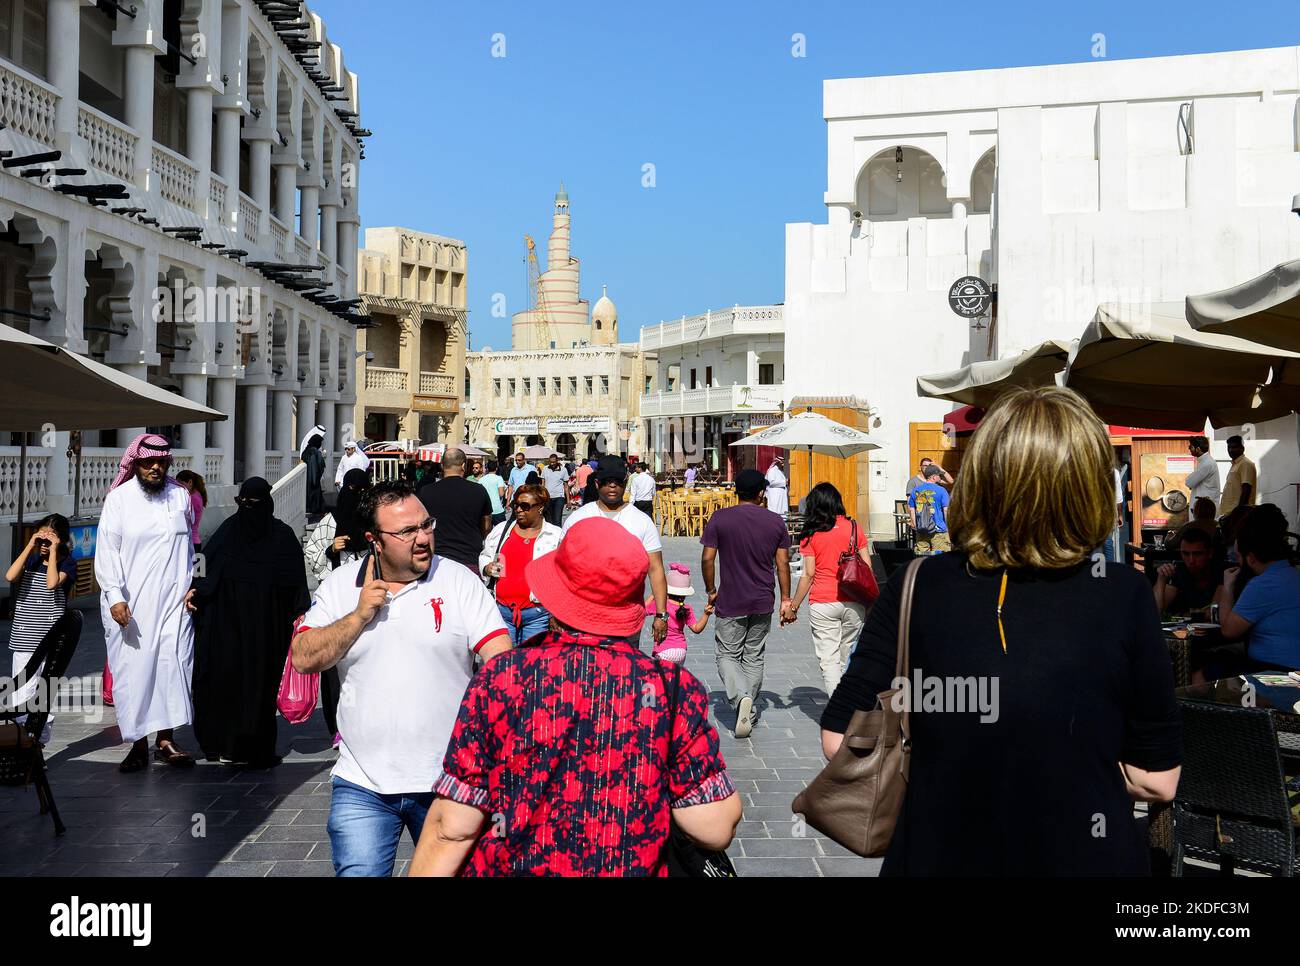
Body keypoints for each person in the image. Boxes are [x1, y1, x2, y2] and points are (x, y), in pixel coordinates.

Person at [821, 386, 1182, 875]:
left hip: (936, 852)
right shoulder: (1122, 594)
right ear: (1090, 486)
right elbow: (1157, 780)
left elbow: (839, 734)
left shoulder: (917, 583)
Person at [409, 518, 741, 876]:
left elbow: (452, 829)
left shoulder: (502, 679)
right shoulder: (672, 690)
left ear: (555, 594)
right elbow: (714, 826)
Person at [292, 480, 511, 877]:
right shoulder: (342, 587)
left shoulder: (459, 581)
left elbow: (501, 661)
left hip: (450, 782)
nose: (423, 538)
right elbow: (304, 658)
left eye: (426, 525)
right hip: (363, 783)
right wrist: (359, 616)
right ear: (374, 539)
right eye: (407, 531)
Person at [94, 434, 199, 772]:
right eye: (147, 461)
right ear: (135, 463)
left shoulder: (180, 496)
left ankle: (165, 740)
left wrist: (192, 586)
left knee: (174, 666)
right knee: (137, 671)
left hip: (174, 604)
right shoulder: (119, 500)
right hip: (132, 605)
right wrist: (114, 597)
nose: (155, 467)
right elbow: (107, 553)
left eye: (161, 461)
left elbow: (188, 550)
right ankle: (138, 743)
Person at [190, 478, 309, 767]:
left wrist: (197, 587)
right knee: (248, 683)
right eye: (243, 504)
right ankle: (240, 746)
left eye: (251, 504)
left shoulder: (233, 532)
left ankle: (233, 745)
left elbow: (202, 564)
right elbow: (297, 589)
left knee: (245, 683)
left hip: (238, 628)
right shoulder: (276, 536)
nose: (247, 510)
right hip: (255, 630)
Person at [701, 468, 792, 738]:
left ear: (736, 491)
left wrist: (710, 588)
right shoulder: (775, 522)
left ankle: (740, 697)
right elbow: (783, 563)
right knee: (754, 656)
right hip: (763, 599)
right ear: (761, 493)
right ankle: (749, 713)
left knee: (727, 654)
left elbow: (707, 558)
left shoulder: (721, 518)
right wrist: (786, 597)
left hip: (731, 598)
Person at [563, 455, 669, 646]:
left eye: (617, 481)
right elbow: (562, 565)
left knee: (624, 673)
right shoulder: (578, 518)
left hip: (626, 618)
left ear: (625, 482)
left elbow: (656, 569)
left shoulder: (641, 521)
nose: (612, 486)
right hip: (583, 617)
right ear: (596, 483)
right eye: (606, 481)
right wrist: (557, 611)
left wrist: (661, 614)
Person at [303, 467, 372, 746]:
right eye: (352, 490)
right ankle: (337, 726)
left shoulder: (373, 521)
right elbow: (312, 553)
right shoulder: (330, 522)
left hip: (368, 601)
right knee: (334, 670)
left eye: (360, 491)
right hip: (337, 604)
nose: (355, 496)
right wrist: (332, 549)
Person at [784, 482, 871, 698]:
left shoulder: (811, 533)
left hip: (823, 602)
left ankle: (838, 711)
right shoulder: (854, 528)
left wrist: (793, 606)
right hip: (854, 600)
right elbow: (867, 567)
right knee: (846, 656)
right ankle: (849, 704)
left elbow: (809, 574)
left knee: (829, 661)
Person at [5, 513, 77, 743]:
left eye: (50, 540)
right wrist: (30, 545)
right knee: (21, 692)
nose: (44, 545)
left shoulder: (67, 563)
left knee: (44, 694)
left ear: (61, 539)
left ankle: (37, 743)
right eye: (42, 539)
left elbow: (51, 584)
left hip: (49, 640)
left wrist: (55, 552)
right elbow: (10, 576)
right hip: (24, 638)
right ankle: (21, 743)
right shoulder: (32, 559)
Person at [1210, 504, 1300, 674]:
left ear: (1250, 558)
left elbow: (1229, 631)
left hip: (1274, 671)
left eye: (1237, 557)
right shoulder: (1292, 575)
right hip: (1288, 668)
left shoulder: (1263, 585)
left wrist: (1228, 586)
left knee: (1205, 671)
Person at [480, 483, 562, 646]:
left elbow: (563, 578)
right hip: (502, 613)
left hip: (537, 615)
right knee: (503, 665)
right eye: (516, 505)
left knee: (531, 666)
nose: (518, 510)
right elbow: (485, 555)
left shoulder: (556, 536)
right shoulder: (501, 530)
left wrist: (556, 614)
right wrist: (486, 568)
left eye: (525, 506)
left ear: (540, 507)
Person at [417, 447, 492, 572]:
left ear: (442, 465)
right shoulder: (478, 490)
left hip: (436, 560)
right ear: (463, 465)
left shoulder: (426, 491)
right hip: (468, 558)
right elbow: (487, 526)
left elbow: (419, 524)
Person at [648, 563, 713, 665]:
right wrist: (706, 614)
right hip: (681, 651)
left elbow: (642, 609)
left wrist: (655, 593)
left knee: (656, 679)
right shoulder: (686, 609)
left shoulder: (661, 605)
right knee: (675, 679)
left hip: (664, 651)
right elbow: (696, 629)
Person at [1152, 528, 1223, 616]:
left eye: (1198, 554)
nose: (1191, 560)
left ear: (1210, 553)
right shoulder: (1179, 571)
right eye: (1185, 553)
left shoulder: (1221, 571)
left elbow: (1214, 612)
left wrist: (1188, 614)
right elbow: (1153, 612)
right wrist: (1161, 579)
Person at [908, 463, 951, 554]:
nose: (940, 478)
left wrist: (916, 525)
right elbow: (946, 509)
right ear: (934, 477)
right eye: (939, 475)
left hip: (922, 530)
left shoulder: (916, 490)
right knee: (941, 559)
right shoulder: (942, 490)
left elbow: (911, 508)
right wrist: (947, 526)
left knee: (922, 558)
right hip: (939, 530)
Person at [1218, 435, 1257, 517]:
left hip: (1237, 514)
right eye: (1229, 447)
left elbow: (1246, 489)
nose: (1231, 450)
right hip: (1229, 513)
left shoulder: (1245, 464)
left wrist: (1239, 513)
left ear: (1242, 449)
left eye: (1234, 447)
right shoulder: (1235, 464)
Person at [1184, 435, 1220, 514]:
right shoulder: (1204, 461)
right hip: (1203, 507)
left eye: (1190, 447)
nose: (1189, 449)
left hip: (1204, 509)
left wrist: (1190, 481)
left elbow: (1189, 482)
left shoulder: (1206, 463)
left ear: (1198, 449)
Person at [174, 470, 207, 551]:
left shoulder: (193, 497)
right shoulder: (194, 495)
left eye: (181, 485)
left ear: (190, 482)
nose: (179, 488)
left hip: (192, 542)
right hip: (192, 541)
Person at [300, 425, 326, 518]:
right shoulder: (313, 452)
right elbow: (314, 468)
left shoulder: (307, 451)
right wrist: (315, 480)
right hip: (312, 481)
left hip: (308, 480)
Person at [540, 453, 570, 527]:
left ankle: (558, 537)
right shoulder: (545, 469)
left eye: (554, 462)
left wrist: (568, 500)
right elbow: (543, 484)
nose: (552, 463)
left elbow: (566, 486)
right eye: (550, 462)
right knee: (548, 520)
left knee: (557, 520)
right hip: (548, 498)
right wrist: (542, 497)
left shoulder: (563, 470)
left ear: (557, 461)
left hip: (559, 497)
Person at [477, 459, 508, 525]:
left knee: (486, 533)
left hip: (485, 509)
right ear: (496, 468)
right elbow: (501, 494)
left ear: (487, 468)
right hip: (497, 509)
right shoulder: (499, 478)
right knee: (500, 531)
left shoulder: (481, 479)